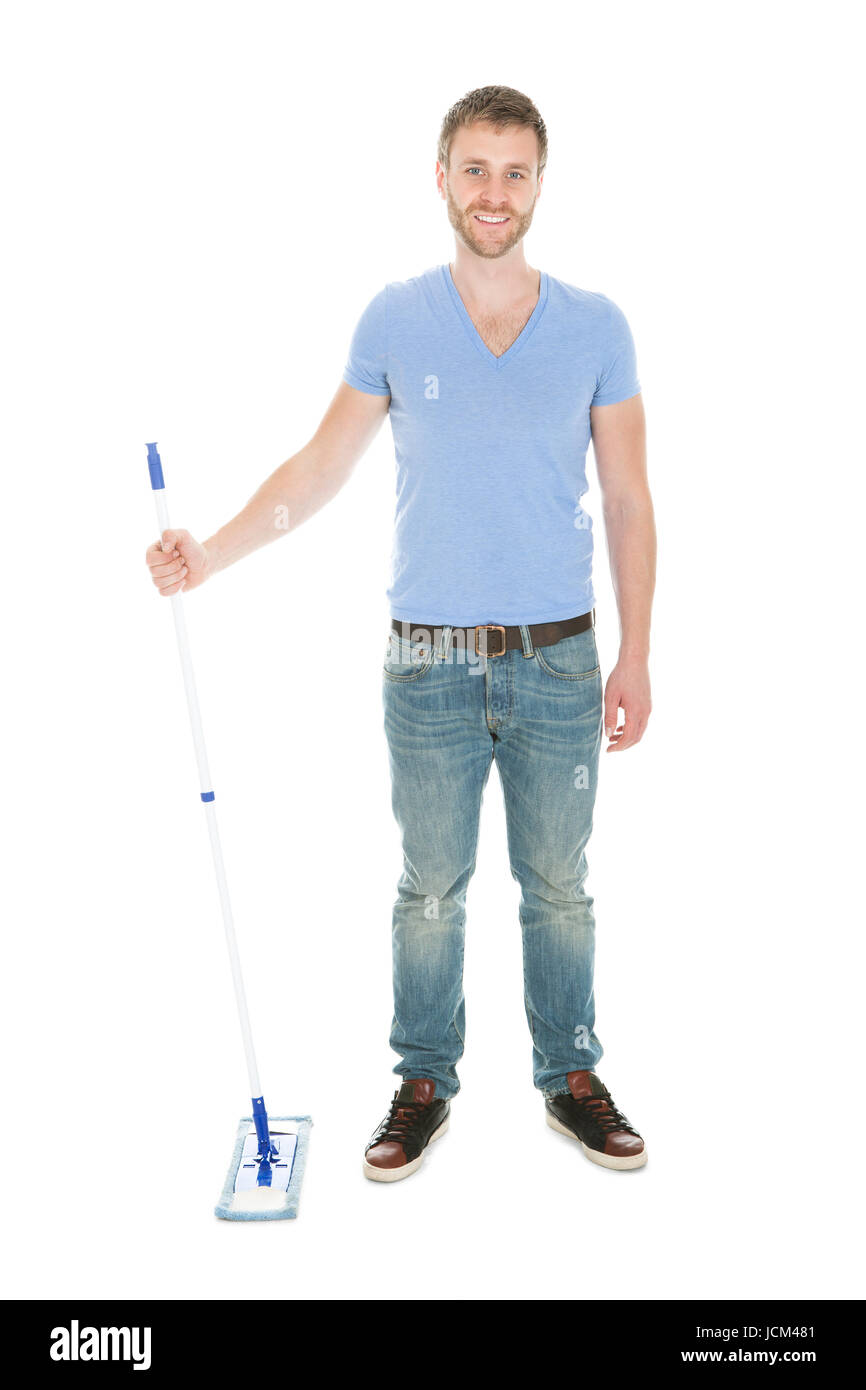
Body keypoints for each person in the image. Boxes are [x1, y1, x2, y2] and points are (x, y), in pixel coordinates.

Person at [145, 85, 656, 1182]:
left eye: (514, 172)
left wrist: (636, 652)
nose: (493, 192)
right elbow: (320, 467)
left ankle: (568, 1073)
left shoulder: (596, 327)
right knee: (429, 886)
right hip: (424, 662)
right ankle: (424, 1075)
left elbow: (626, 500)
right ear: (440, 176)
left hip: (558, 661)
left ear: (538, 185)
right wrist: (213, 550)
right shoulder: (393, 318)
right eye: (474, 168)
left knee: (558, 883)